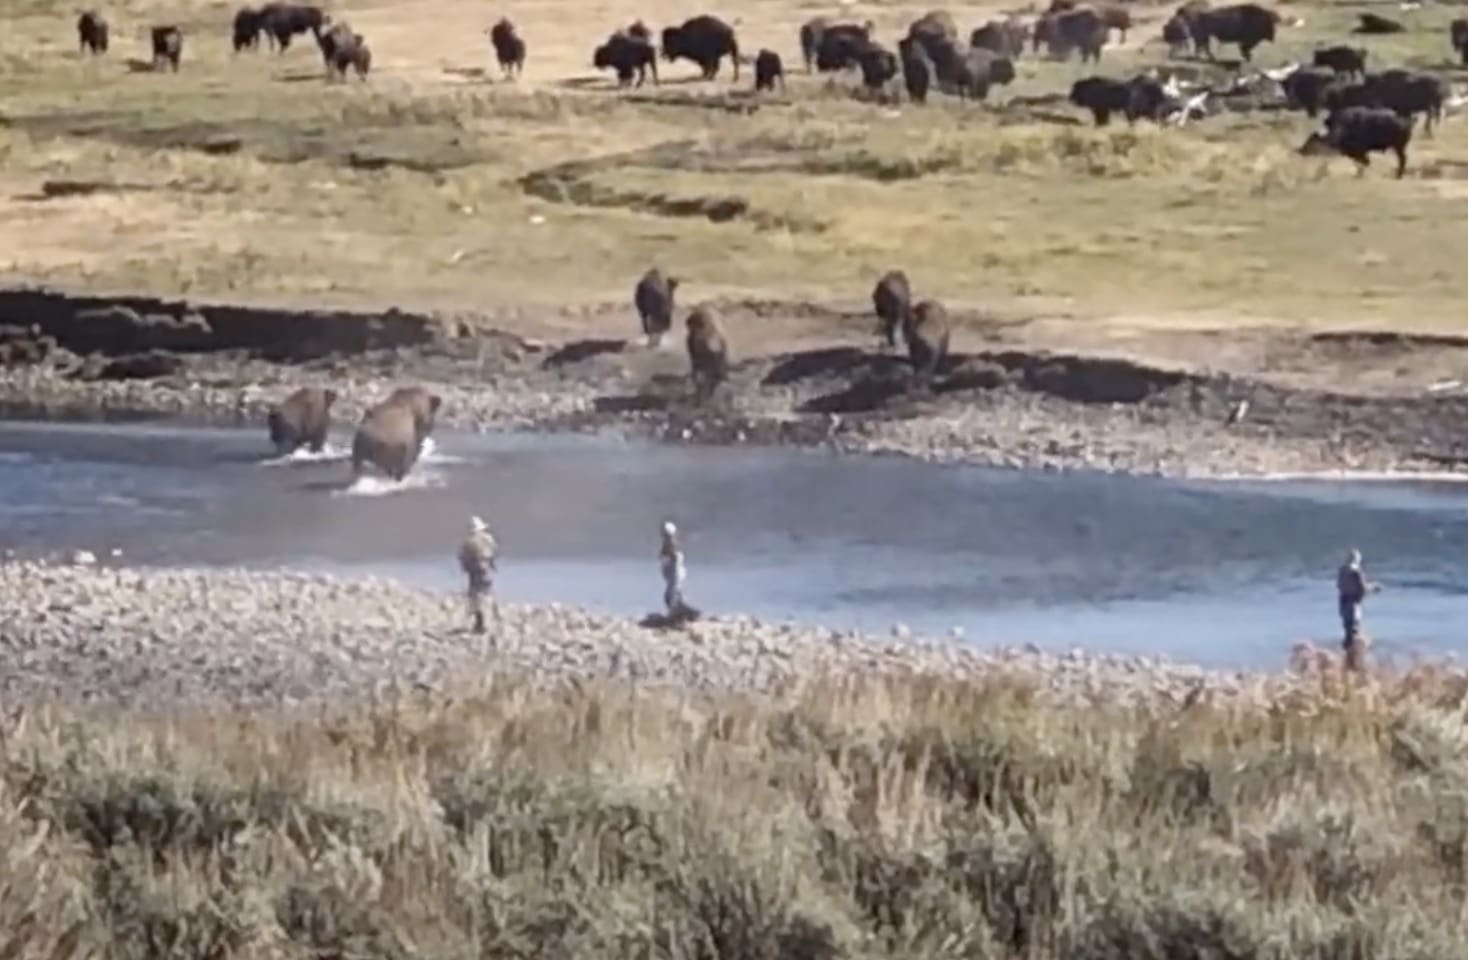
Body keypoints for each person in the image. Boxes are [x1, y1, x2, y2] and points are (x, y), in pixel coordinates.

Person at [1336, 548, 1379, 662]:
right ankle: (1353, 660)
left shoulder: (1342, 570)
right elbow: (1362, 588)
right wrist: (1374, 588)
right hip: (1354, 604)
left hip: (1343, 604)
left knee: (1347, 631)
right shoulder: (1356, 571)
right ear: (1358, 560)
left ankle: (1346, 659)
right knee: (1354, 632)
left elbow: (1339, 586)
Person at [458, 515, 497, 634]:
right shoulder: (489, 539)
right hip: (487, 570)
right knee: (486, 594)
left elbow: (463, 558)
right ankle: (489, 621)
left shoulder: (468, 542)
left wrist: (466, 568)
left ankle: (480, 623)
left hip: (475, 571)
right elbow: (493, 553)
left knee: (475, 596)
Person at [659, 520, 687, 618]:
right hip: (673, 574)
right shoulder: (669, 544)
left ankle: (677, 610)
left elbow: (671, 557)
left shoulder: (670, 544)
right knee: (674, 591)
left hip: (674, 573)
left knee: (671, 593)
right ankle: (677, 609)